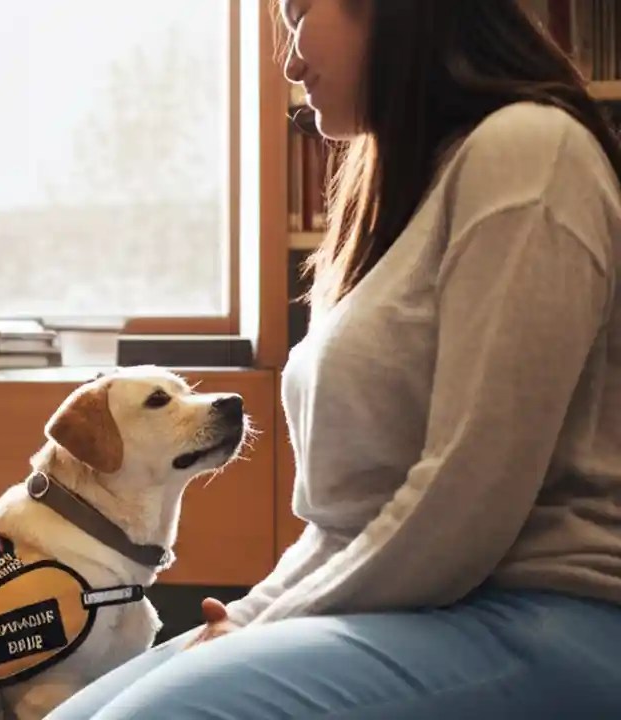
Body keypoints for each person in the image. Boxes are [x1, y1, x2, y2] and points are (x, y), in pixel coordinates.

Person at [46, 0, 621, 717]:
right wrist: (253, 616)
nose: (288, 60)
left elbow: (467, 496)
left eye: (297, 14)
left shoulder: (530, 151)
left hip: (542, 613)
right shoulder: (393, 195)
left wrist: (267, 625)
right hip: (407, 606)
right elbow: (344, 525)